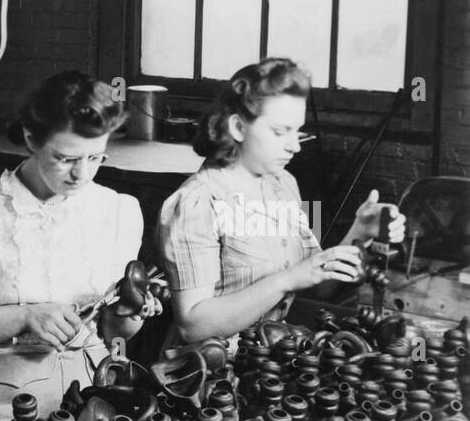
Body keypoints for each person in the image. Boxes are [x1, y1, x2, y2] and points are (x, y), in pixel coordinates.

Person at [0, 71, 160, 421]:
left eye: (95, 158)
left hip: (100, 391)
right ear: (31, 139)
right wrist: (26, 316)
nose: (82, 174)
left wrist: (128, 312)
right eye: (65, 158)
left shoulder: (118, 210)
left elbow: (114, 334)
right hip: (8, 403)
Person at [157, 57, 406, 347]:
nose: (295, 145)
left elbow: (315, 283)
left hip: (272, 356)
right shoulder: (195, 203)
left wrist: (359, 232)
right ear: (238, 127)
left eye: (297, 130)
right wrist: (286, 279)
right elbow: (193, 326)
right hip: (206, 371)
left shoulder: (285, 184)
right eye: (280, 131)